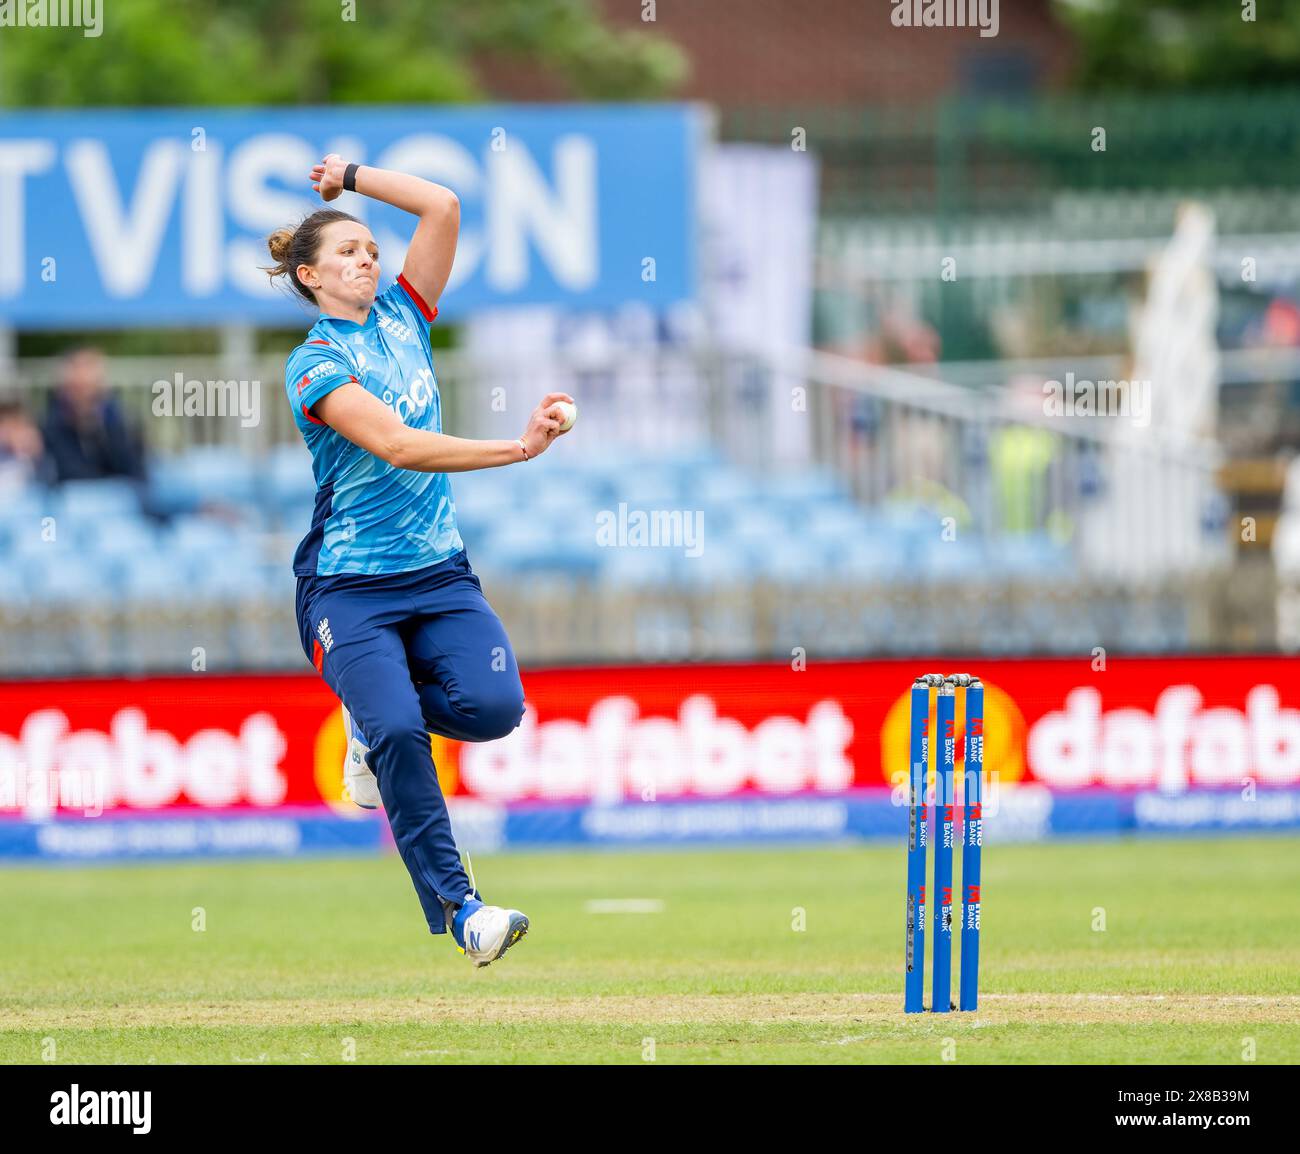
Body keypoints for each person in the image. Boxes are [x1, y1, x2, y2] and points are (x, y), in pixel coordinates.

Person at [265, 153, 573, 968]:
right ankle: (464, 909)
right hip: (348, 589)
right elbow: (398, 446)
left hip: (439, 575)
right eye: (347, 254)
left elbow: (441, 205)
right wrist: (516, 447)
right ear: (310, 277)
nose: (367, 259)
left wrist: (352, 177)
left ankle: (370, 727)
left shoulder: (405, 313)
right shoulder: (314, 363)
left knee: (496, 709)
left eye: (371, 249)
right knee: (402, 726)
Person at [41, 347, 148, 484]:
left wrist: (102, 425)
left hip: (120, 490)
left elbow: (133, 466)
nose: (83, 392)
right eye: (77, 386)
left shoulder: (120, 418)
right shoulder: (53, 422)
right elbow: (68, 471)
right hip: (79, 493)